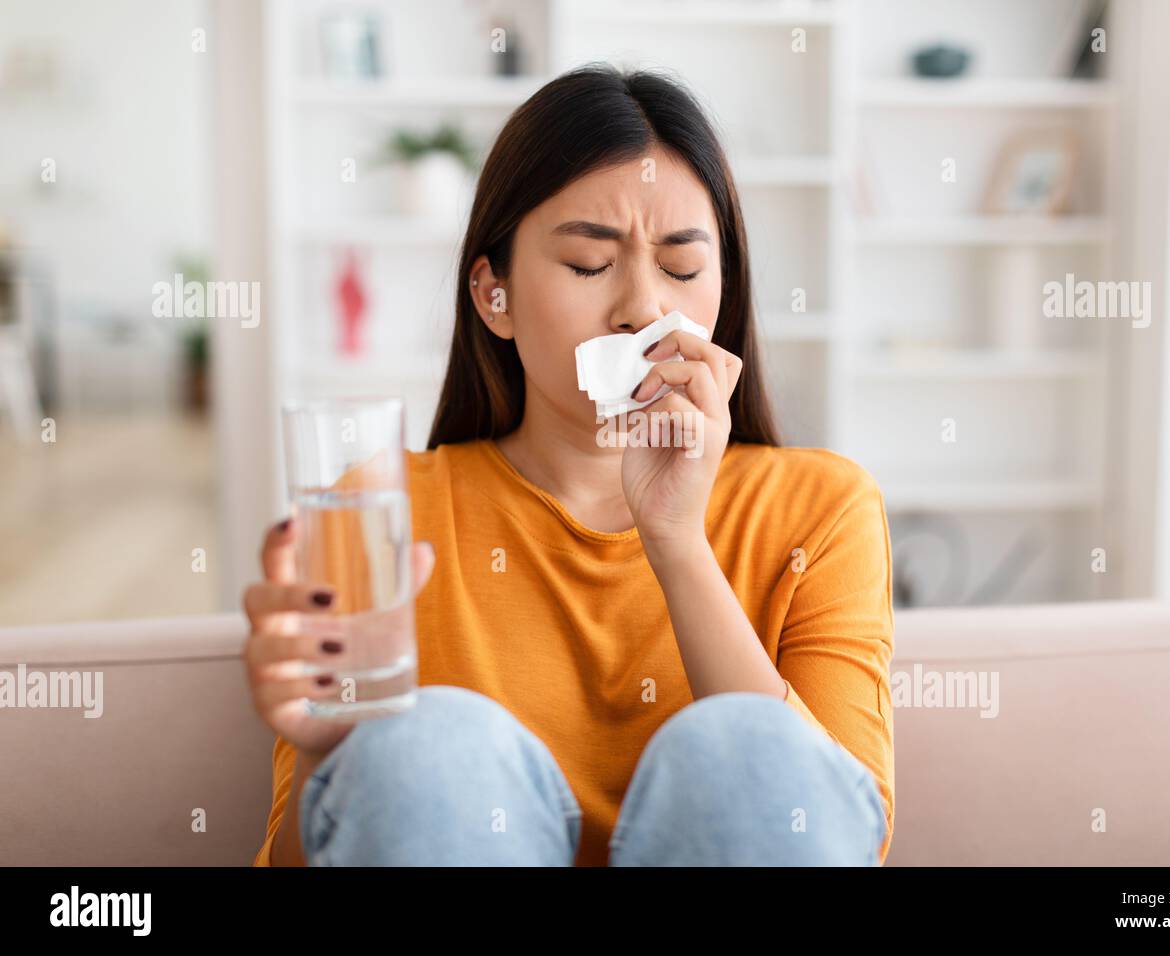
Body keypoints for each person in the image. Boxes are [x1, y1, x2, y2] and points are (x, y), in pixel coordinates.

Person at [244, 64, 894, 867]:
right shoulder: (380, 512)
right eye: (590, 265)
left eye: (683, 270)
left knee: (753, 747)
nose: (645, 309)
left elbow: (834, 824)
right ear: (495, 297)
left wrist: (677, 539)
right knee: (430, 746)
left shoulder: (821, 508)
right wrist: (324, 751)